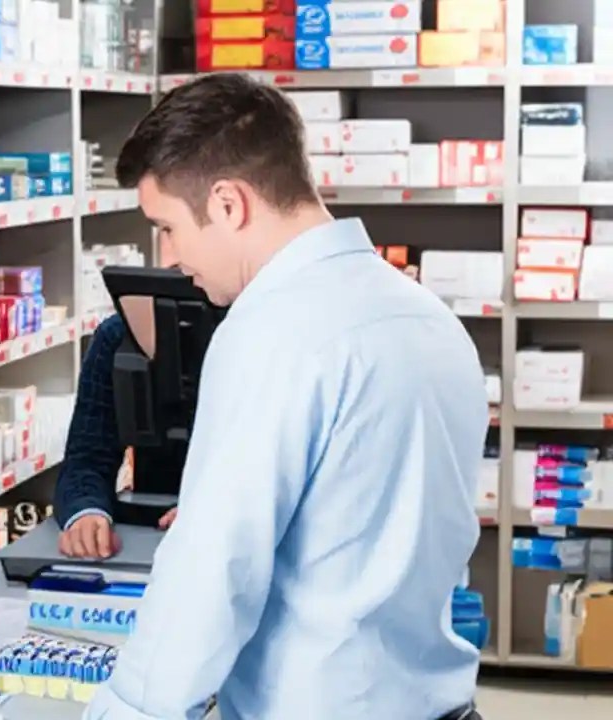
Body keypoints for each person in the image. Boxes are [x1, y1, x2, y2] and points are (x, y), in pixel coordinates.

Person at [83, 74, 487, 720]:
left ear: (227, 204)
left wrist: (129, 710)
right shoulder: (428, 318)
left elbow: (212, 573)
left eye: (166, 227)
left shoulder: (268, 333)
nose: (167, 255)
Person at [55, 237, 183, 560]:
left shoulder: (273, 335)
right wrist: (86, 512)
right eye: (165, 232)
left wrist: (223, 512)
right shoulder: (116, 338)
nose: (172, 254)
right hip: (146, 546)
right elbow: (85, 461)